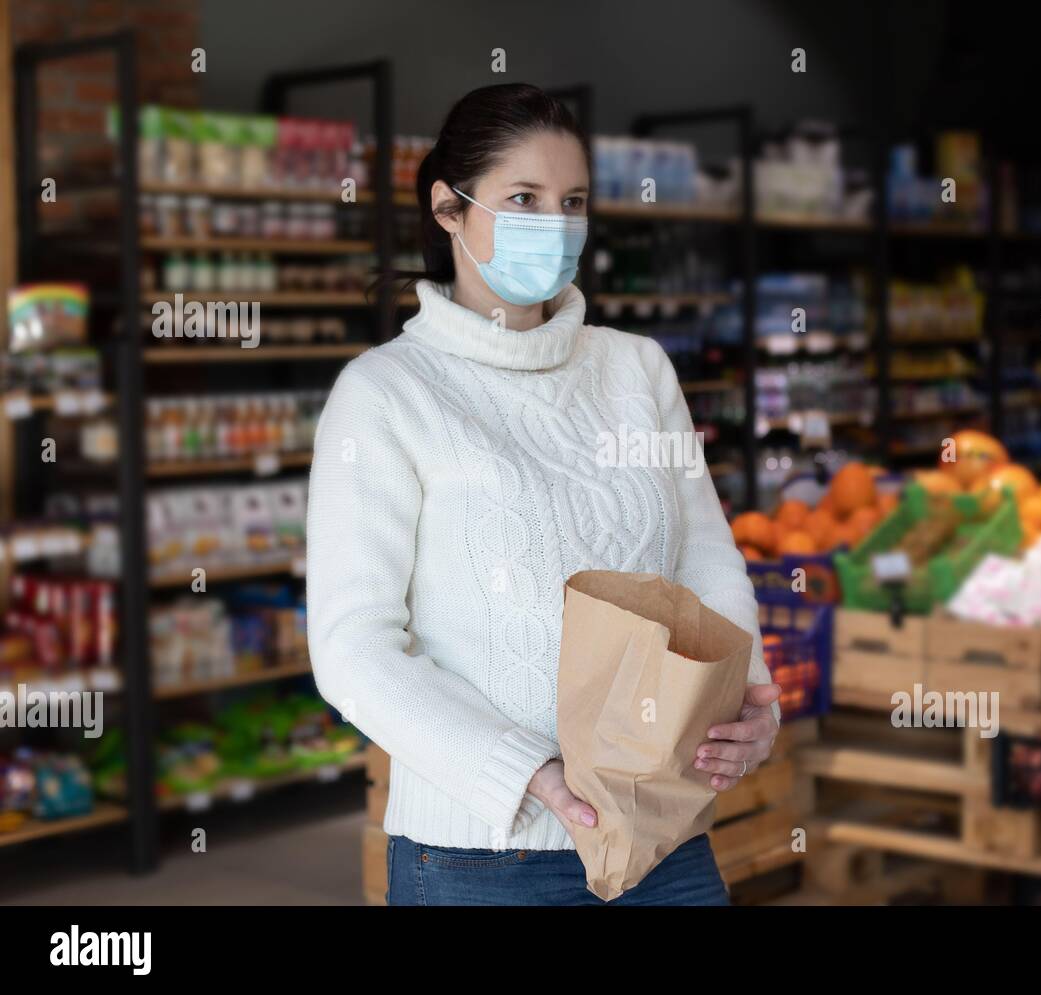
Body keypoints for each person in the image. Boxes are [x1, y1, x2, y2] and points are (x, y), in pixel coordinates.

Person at [305, 83, 781, 906]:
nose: (554, 225)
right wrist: (530, 775)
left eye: (573, 202)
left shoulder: (638, 371)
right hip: (483, 856)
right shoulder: (386, 394)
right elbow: (354, 647)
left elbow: (705, 561)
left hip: (661, 833)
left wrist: (745, 697)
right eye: (522, 198)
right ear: (449, 209)